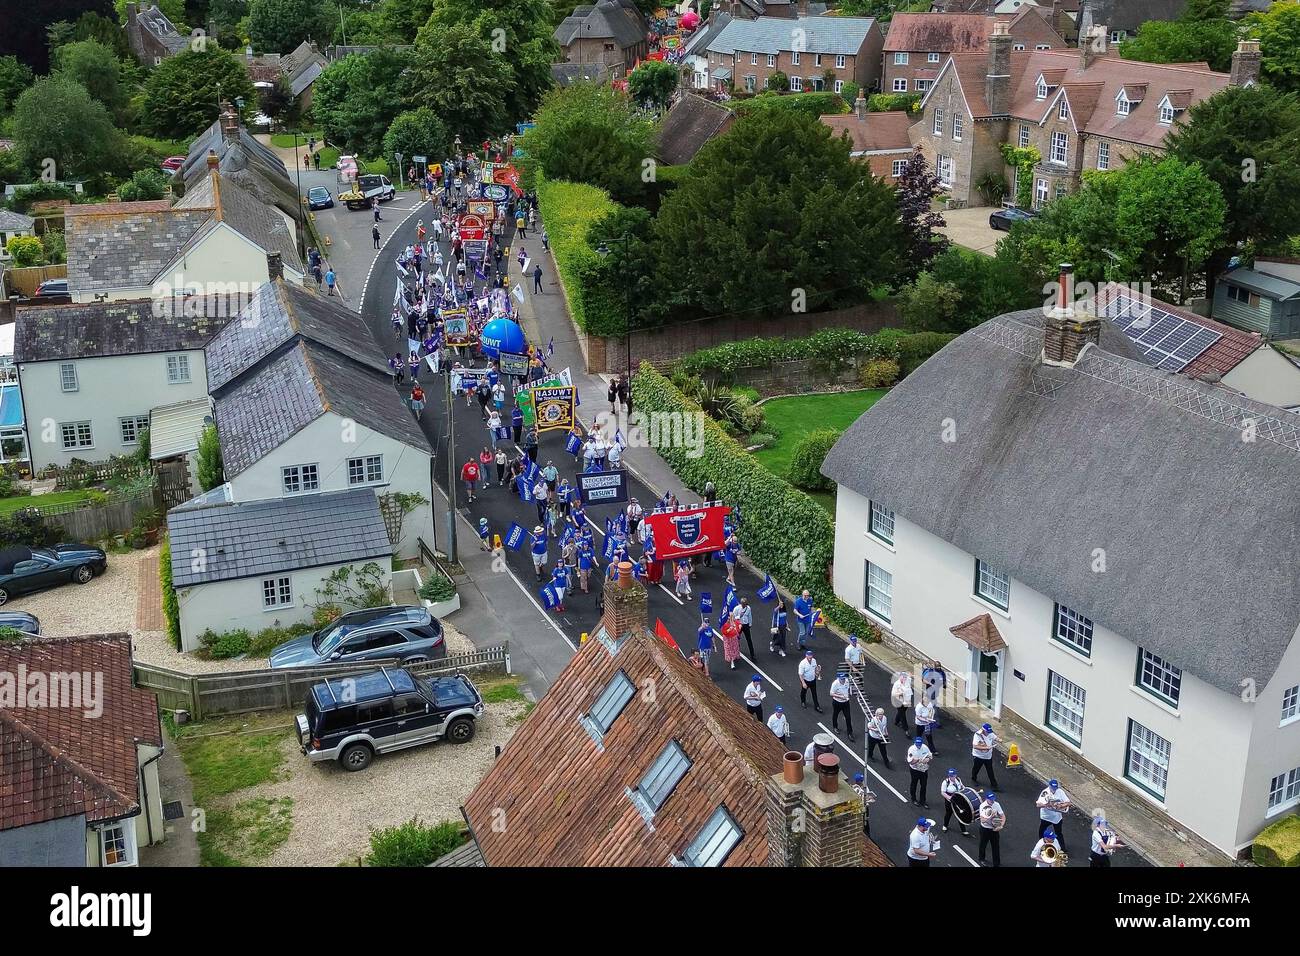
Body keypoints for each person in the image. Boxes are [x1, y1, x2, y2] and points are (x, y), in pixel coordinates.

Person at [1036, 780, 1071, 851]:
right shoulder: (1045, 792)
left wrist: (1061, 806)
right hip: (1046, 817)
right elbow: (1038, 804)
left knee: (1059, 833)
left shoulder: (1060, 792)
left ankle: (1062, 848)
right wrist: (1047, 805)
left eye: (1055, 788)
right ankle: (1043, 846)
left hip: (1057, 817)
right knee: (1042, 831)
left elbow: (1069, 803)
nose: (1054, 789)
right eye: (1052, 788)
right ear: (1049, 786)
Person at [978, 792, 1005, 867]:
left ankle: (996, 863)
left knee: (996, 846)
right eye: (990, 800)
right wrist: (990, 816)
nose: (992, 801)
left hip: (994, 829)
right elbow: (983, 820)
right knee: (983, 845)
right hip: (985, 829)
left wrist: (1001, 825)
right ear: (986, 799)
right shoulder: (982, 806)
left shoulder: (996, 804)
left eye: (993, 799)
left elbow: (1003, 816)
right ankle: (981, 859)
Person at [940, 769, 971, 836]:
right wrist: (949, 798)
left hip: (958, 800)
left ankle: (963, 830)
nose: (952, 777)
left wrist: (965, 790)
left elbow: (962, 786)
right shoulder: (945, 782)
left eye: (953, 776)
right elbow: (943, 792)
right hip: (950, 801)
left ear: (956, 775)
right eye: (950, 776)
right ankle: (945, 826)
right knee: (948, 813)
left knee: (960, 814)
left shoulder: (958, 779)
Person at [907, 736, 933, 808]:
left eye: (920, 744)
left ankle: (923, 801)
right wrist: (918, 760)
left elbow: (930, 756)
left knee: (924, 785)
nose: (919, 745)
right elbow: (910, 762)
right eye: (917, 744)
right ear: (915, 743)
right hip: (915, 770)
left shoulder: (925, 747)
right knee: (914, 784)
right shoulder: (911, 749)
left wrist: (927, 759)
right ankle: (914, 799)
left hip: (923, 769)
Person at [828, 670, 855, 739]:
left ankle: (850, 732)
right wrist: (840, 696)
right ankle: (835, 726)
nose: (843, 680)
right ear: (838, 678)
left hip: (845, 702)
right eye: (841, 679)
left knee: (848, 717)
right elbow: (831, 693)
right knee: (835, 714)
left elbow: (849, 688)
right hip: (837, 702)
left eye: (843, 679)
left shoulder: (847, 681)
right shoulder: (835, 684)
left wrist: (849, 693)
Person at [971, 723, 1000, 788]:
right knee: (976, 769)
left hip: (988, 757)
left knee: (990, 770)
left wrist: (999, 740)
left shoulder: (990, 734)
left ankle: (994, 785)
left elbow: (995, 737)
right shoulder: (977, 735)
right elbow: (975, 746)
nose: (988, 733)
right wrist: (986, 748)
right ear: (983, 730)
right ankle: (973, 779)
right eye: (987, 732)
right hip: (978, 756)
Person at [851, 772, 874, 838]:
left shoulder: (865, 787)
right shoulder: (855, 789)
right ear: (858, 781)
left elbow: (868, 794)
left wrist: (869, 798)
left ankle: (868, 835)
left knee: (866, 821)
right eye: (861, 780)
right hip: (860, 807)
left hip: (865, 807)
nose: (862, 781)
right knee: (860, 821)